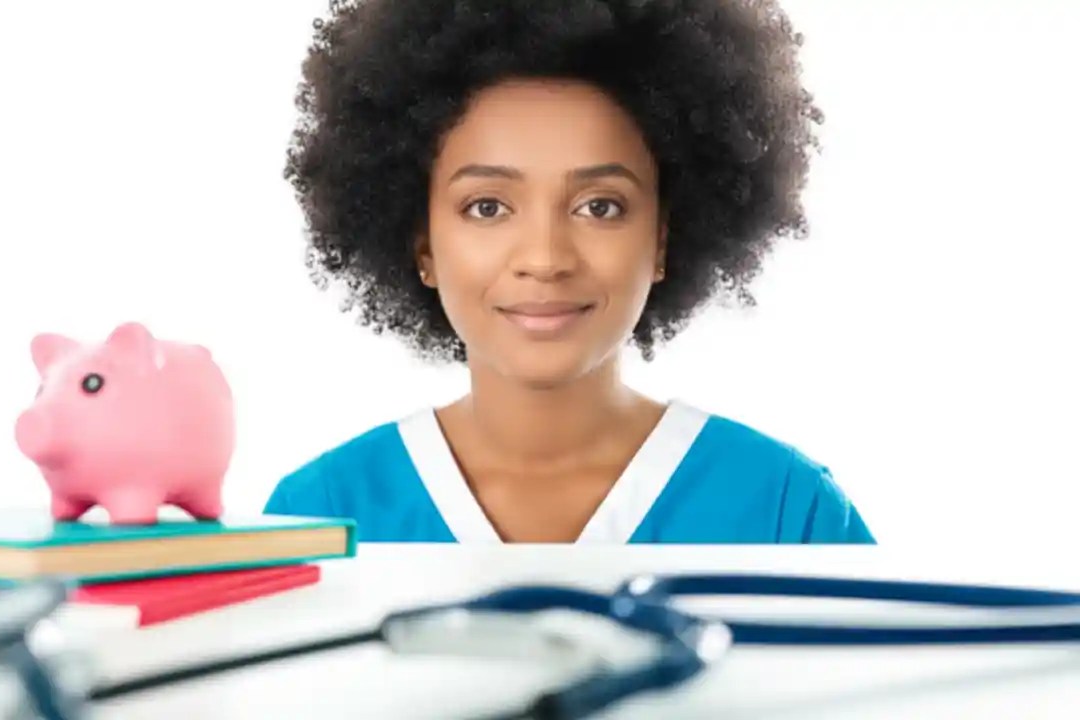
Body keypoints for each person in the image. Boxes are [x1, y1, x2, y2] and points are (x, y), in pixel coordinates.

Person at [264, 0, 874, 544]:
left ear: (662, 239)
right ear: (422, 245)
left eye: (600, 206)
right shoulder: (319, 518)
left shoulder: (788, 516)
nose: (546, 258)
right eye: (488, 207)